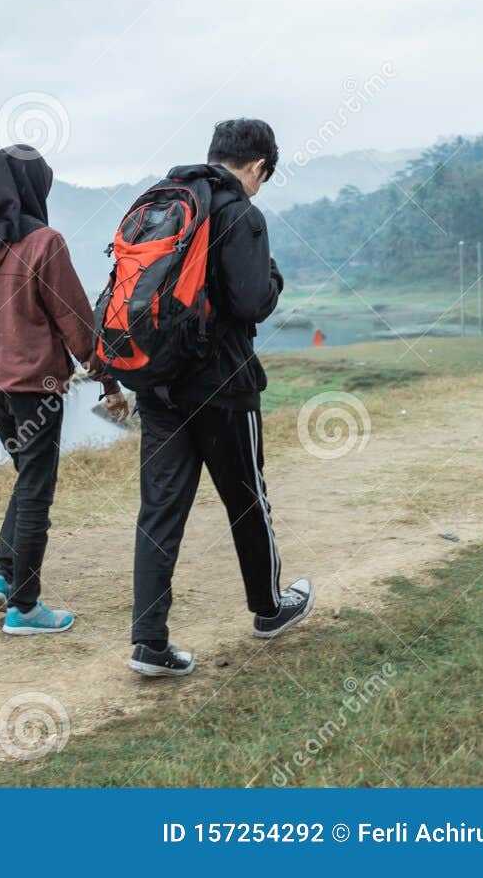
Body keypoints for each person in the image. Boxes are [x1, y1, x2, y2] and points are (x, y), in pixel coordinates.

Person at [128, 118, 314, 678]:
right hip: (222, 387)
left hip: (158, 383)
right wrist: (275, 276)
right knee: (247, 499)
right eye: (265, 176)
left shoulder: (163, 203)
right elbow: (253, 302)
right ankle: (268, 609)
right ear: (258, 166)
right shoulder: (241, 214)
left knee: (160, 509)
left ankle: (150, 643)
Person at [0, 145, 125, 636]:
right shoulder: (45, 242)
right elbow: (76, 321)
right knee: (37, 488)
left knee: (27, 476)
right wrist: (107, 377)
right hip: (36, 385)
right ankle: (26, 606)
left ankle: (2, 575)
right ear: (32, 186)